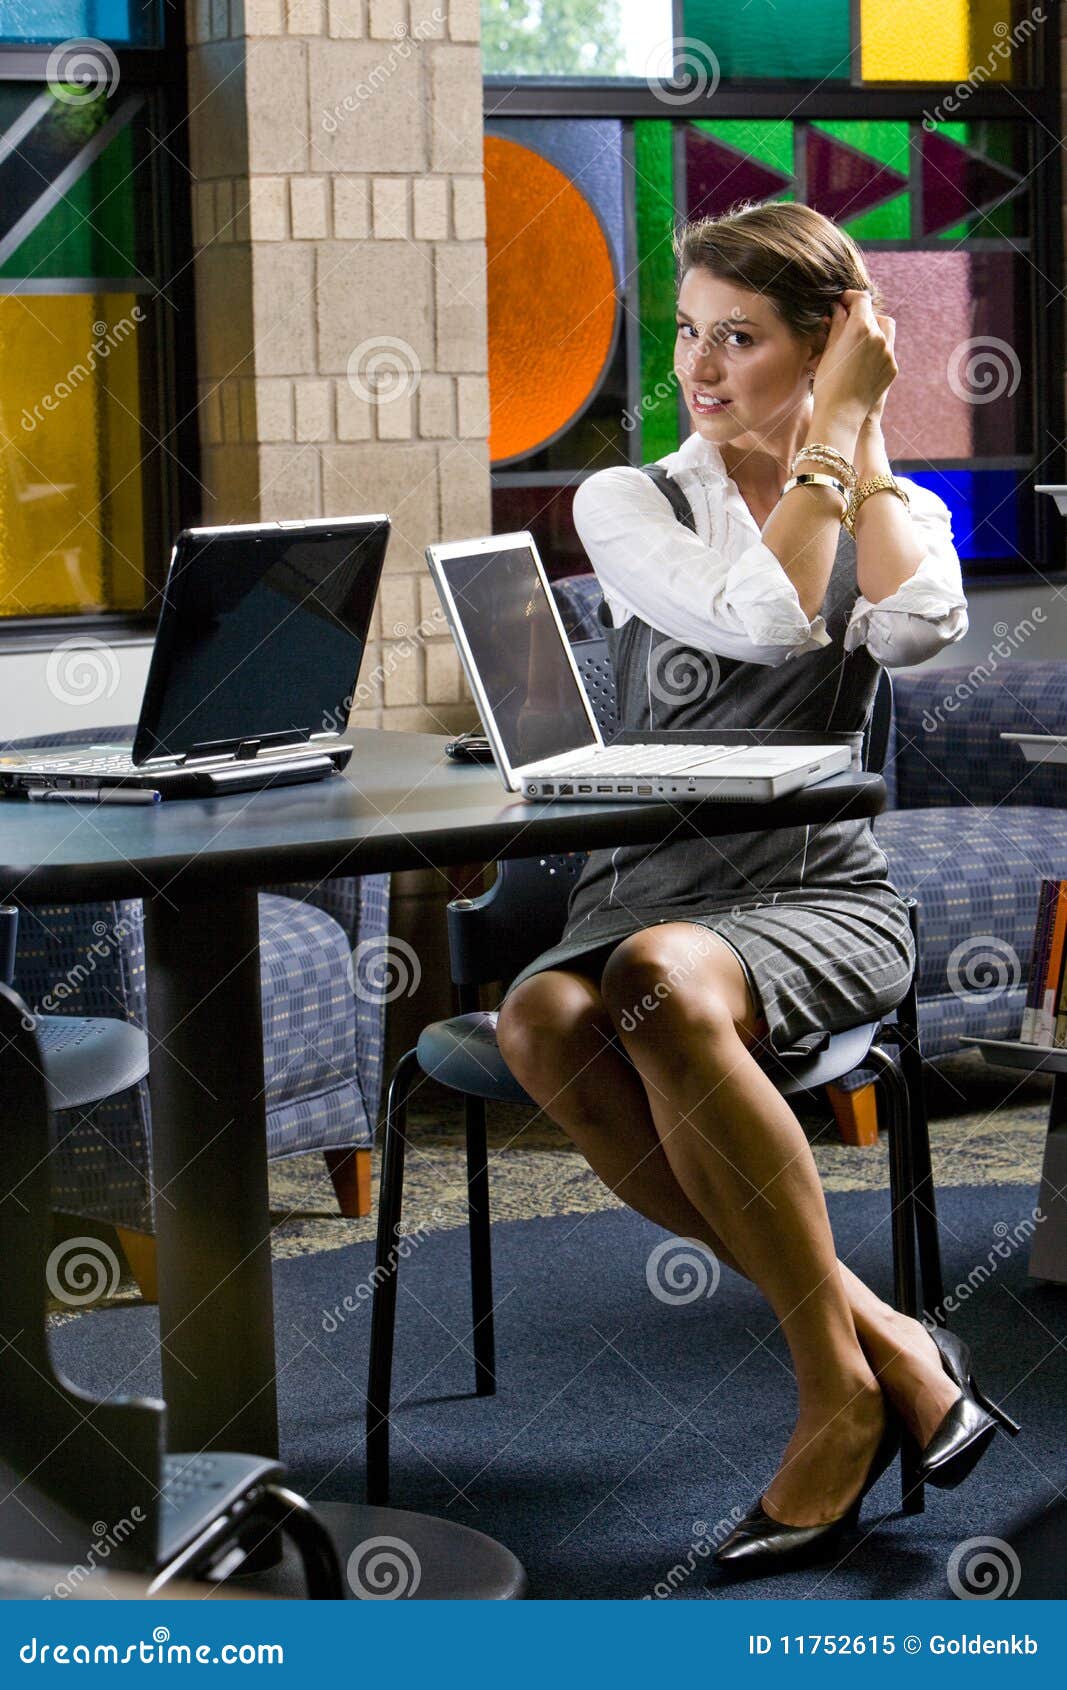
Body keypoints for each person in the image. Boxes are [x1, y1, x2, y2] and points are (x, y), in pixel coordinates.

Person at [495, 201, 1015, 1577]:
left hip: (813, 897)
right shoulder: (630, 500)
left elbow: (916, 633)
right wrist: (829, 452)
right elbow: (758, 612)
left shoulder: (885, 505)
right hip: (642, 883)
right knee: (541, 1022)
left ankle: (836, 1399)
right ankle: (891, 1337)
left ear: (828, 348)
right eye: (687, 334)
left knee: (656, 982)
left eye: (741, 337)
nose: (702, 367)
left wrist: (856, 446)